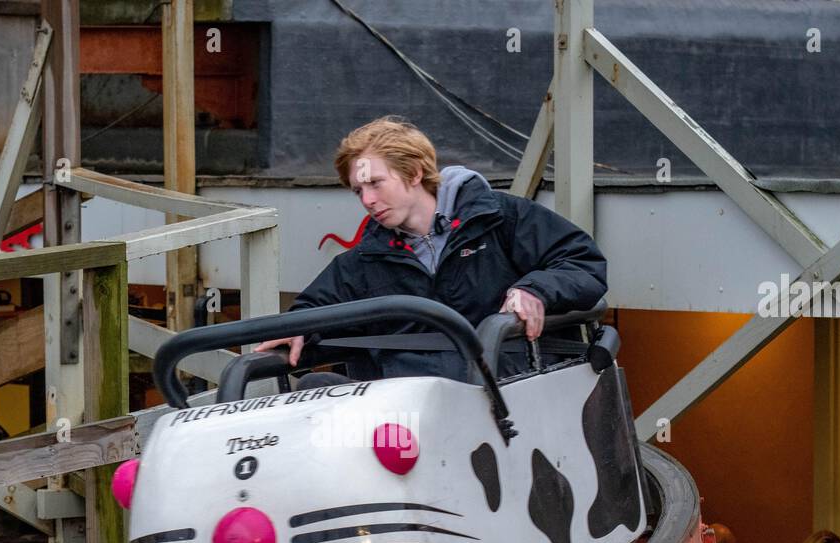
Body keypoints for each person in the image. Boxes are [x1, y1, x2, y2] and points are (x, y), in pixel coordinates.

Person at [255, 115, 608, 383]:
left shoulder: (502, 218)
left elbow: (582, 264)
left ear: (414, 174)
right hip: (407, 420)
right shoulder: (362, 261)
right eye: (357, 191)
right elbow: (315, 309)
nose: (367, 200)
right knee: (318, 388)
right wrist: (298, 327)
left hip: (507, 396)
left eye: (375, 183)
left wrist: (535, 291)